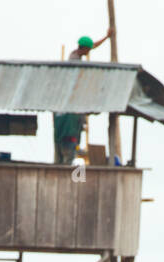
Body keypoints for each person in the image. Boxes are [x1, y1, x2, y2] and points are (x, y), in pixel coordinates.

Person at [54, 30, 113, 164]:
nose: (89, 52)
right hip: (73, 91)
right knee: (67, 161)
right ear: (83, 48)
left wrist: (106, 37)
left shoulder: (80, 53)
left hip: (75, 98)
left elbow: (93, 46)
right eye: (88, 49)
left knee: (69, 158)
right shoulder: (74, 60)